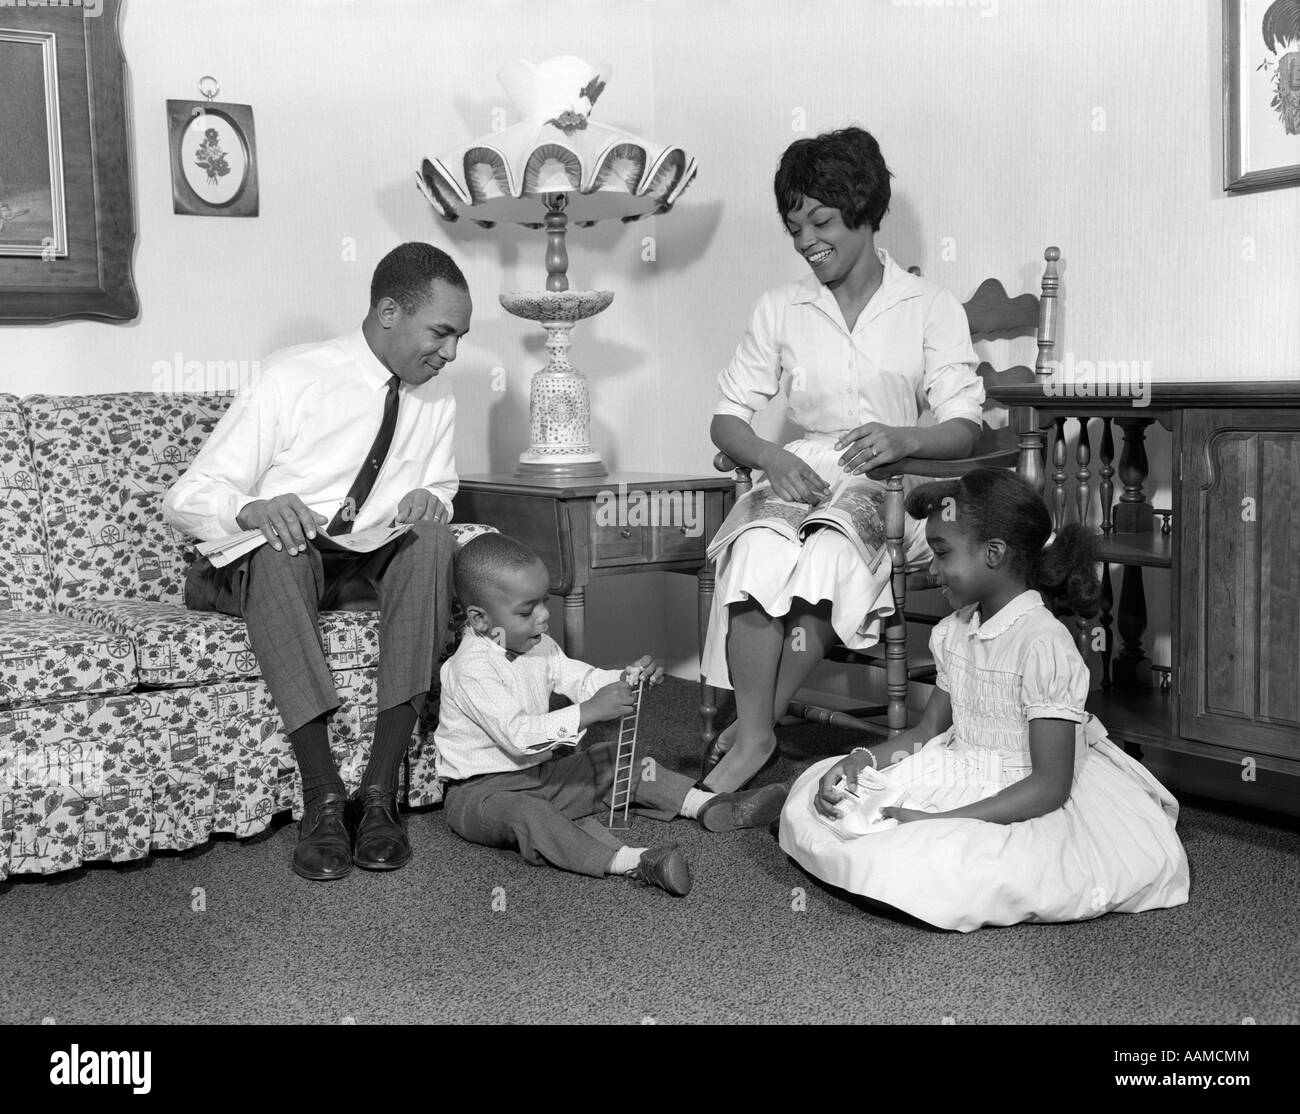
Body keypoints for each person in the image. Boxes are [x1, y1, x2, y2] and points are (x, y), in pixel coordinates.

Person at [163, 242, 472, 881]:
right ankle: (324, 798)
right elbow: (187, 497)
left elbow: (441, 486)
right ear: (389, 311)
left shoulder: (436, 398)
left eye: (459, 338)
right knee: (283, 548)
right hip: (273, 561)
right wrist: (253, 510)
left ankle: (379, 794)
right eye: (441, 333)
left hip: (357, 558)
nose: (450, 354)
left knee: (435, 541)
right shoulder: (293, 376)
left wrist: (429, 500)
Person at [779, 468, 1191, 932]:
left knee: (936, 857)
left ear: (993, 553)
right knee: (816, 794)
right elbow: (926, 732)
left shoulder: (1043, 643)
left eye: (941, 554)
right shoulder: (954, 631)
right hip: (959, 764)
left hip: (1023, 792)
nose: (931, 570)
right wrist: (860, 759)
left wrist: (944, 821)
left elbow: (1050, 786)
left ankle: (905, 869)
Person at [701, 125, 986, 792]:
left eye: (821, 220)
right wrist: (769, 456)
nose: (806, 241)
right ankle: (758, 734)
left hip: (897, 485)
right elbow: (725, 419)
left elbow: (965, 429)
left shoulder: (929, 306)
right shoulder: (781, 308)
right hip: (800, 473)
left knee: (828, 555)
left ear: (863, 210)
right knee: (755, 552)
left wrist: (906, 438)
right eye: (794, 227)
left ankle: (753, 728)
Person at [435, 533, 789, 896]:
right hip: (480, 795)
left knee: (611, 760)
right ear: (479, 619)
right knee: (532, 817)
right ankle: (633, 861)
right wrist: (589, 712)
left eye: (544, 602)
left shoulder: (538, 647)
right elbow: (518, 736)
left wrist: (624, 679)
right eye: (527, 611)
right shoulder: (470, 669)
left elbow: (580, 678)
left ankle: (706, 804)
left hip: (540, 775)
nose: (543, 617)